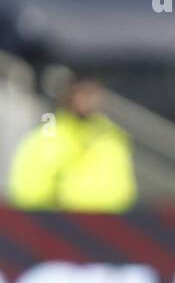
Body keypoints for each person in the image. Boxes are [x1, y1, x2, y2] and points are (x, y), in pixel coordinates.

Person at [8, 76, 137, 212]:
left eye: (93, 94)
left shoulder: (112, 136)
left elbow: (121, 184)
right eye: (83, 93)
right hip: (62, 221)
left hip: (112, 222)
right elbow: (30, 188)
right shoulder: (50, 135)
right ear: (69, 96)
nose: (90, 100)